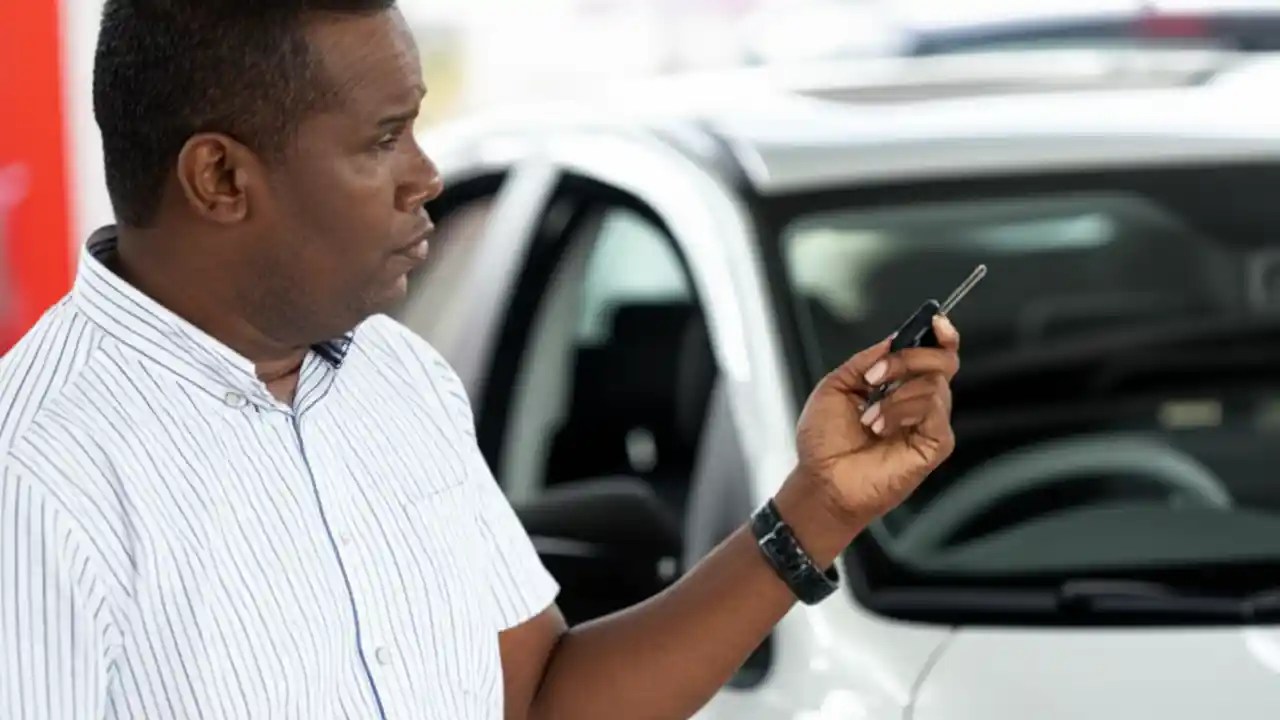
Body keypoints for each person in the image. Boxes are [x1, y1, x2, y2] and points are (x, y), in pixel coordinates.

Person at [0, 2, 960, 718]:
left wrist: (816, 510)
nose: (428, 175)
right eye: (384, 139)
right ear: (220, 177)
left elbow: (538, 701)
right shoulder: (36, 476)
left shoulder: (396, 380)